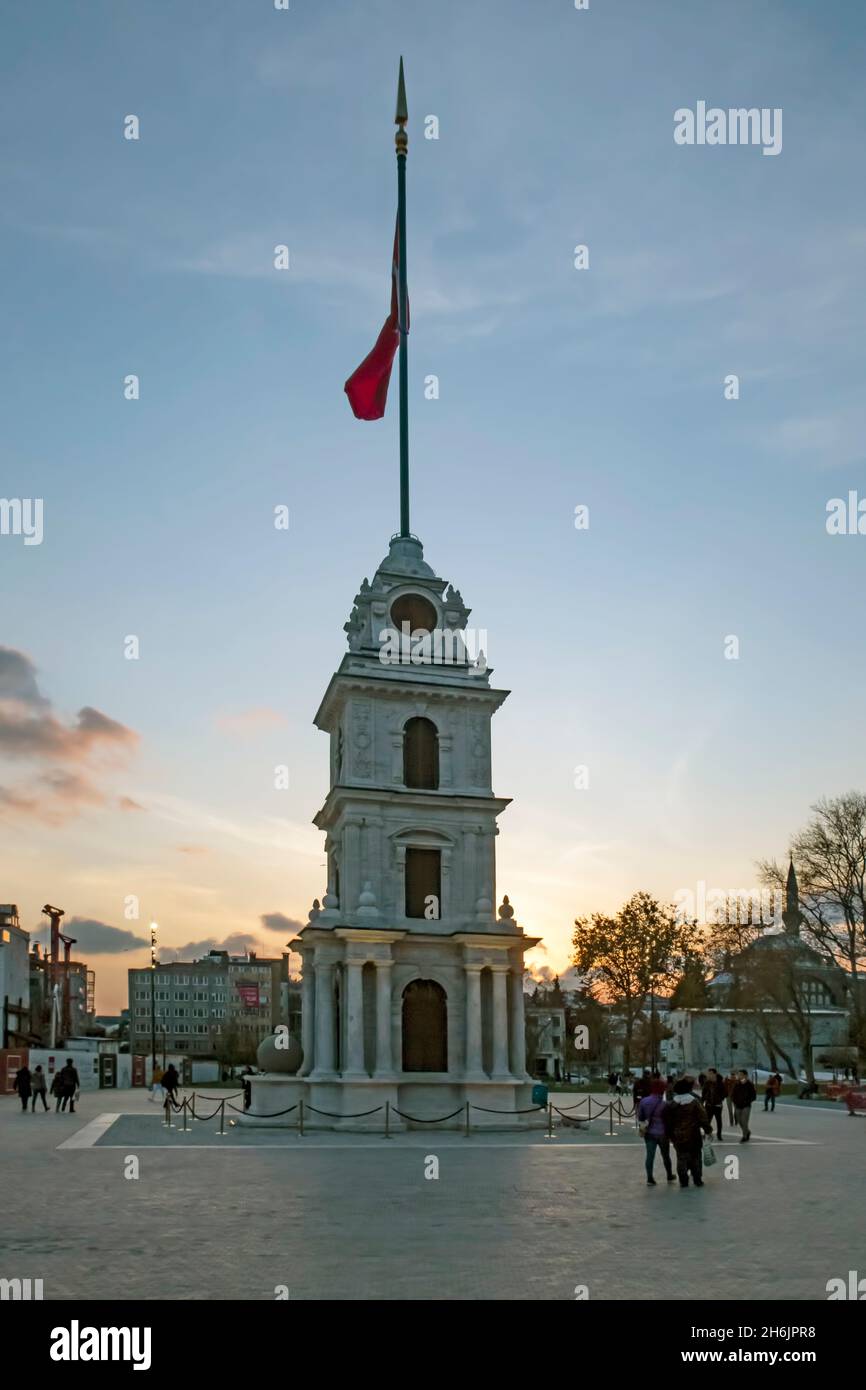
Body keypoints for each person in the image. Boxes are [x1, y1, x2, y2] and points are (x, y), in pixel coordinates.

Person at [663, 1078, 712, 1188]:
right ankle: (697, 1179)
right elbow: (703, 1118)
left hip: (678, 1136)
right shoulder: (694, 1103)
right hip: (694, 1134)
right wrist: (708, 1130)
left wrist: (669, 1134)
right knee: (696, 1157)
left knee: (681, 1158)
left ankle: (683, 1181)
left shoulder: (671, 1105)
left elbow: (667, 1121)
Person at [638, 1079, 675, 1186]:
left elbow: (641, 1117)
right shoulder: (665, 1104)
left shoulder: (644, 1101)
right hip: (663, 1133)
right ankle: (669, 1174)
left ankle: (650, 1178)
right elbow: (670, 1120)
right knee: (666, 1155)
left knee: (650, 1155)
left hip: (649, 1132)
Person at [731, 1069, 756, 1141]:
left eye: (741, 1074)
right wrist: (735, 1101)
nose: (739, 1076)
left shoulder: (749, 1084)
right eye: (738, 1074)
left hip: (746, 1105)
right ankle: (747, 1131)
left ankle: (744, 1136)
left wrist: (748, 1101)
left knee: (744, 1121)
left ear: (745, 1075)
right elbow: (733, 1094)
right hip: (738, 1105)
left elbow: (753, 1096)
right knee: (739, 1120)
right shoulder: (737, 1084)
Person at [701, 1068, 726, 1139]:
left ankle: (719, 1134)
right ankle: (707, 1133)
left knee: (719, 1120)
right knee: (707, 1120)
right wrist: (702, 1101)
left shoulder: (720, 1082)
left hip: (717, 1105)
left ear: (715, 1074)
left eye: (711, 1073)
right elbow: (703, 1093)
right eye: (708, 1073)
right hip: (709, 1104)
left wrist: (720, 1098)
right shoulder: (707, 1083)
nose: (709, 1075)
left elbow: (724, 1093)